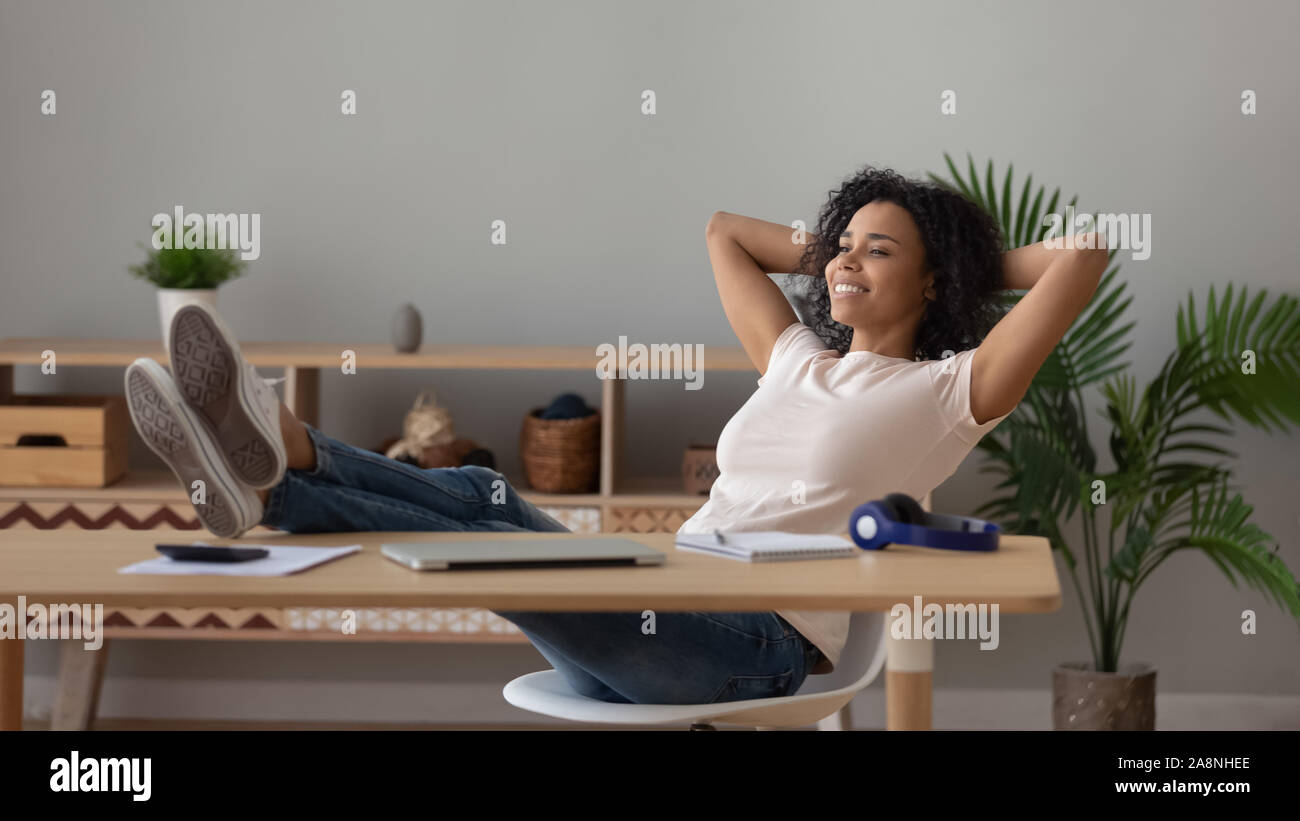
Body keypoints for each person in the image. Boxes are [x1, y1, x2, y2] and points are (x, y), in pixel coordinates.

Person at [124, 165, 1108, 705]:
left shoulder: (947, 390)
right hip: (662, 593)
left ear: (935, 282)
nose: (844, 260)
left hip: (748, 646)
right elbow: (723, 227)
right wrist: (851, 247)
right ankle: (279, 454)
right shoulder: (799, 357)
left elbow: (1085, 251)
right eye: (839, 245)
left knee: (487, 544)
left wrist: (951, 250)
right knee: (489, 500)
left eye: (876, 252)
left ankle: (279, 473)